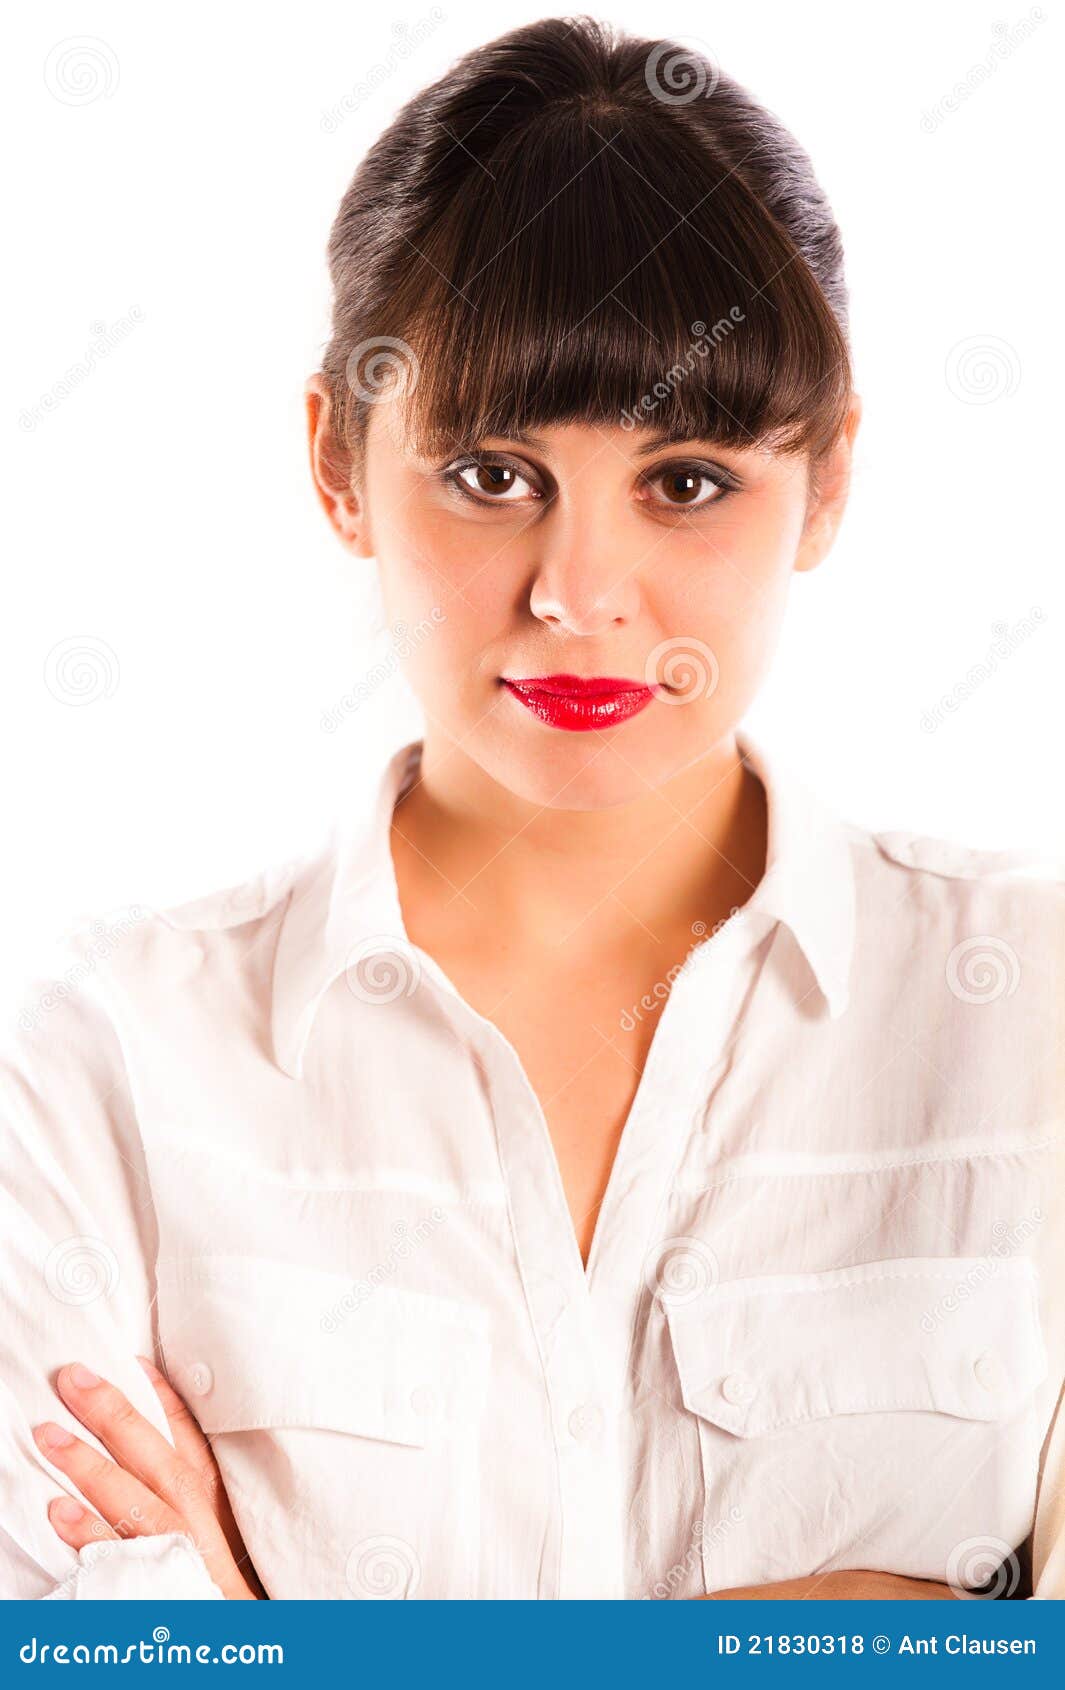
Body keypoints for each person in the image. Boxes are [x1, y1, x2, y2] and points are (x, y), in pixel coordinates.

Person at [2, 15, 1061, 1601]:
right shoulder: (102, 1064)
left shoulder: (1031, 1013)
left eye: (687, 480)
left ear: (826, 481)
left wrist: (291, 1639)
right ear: (337, 462)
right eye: (493, 472)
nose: (578, 595)